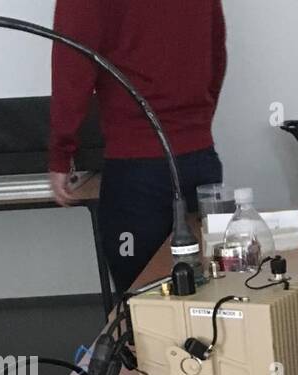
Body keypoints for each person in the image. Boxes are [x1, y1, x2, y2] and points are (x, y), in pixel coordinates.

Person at [48, 0, 228, 293]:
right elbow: (216, 52)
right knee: (203, 294)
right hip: (199, 162)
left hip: (136, 172)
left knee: (140, 301)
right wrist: (193, 127)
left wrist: (61, 153)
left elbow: (73, 63)